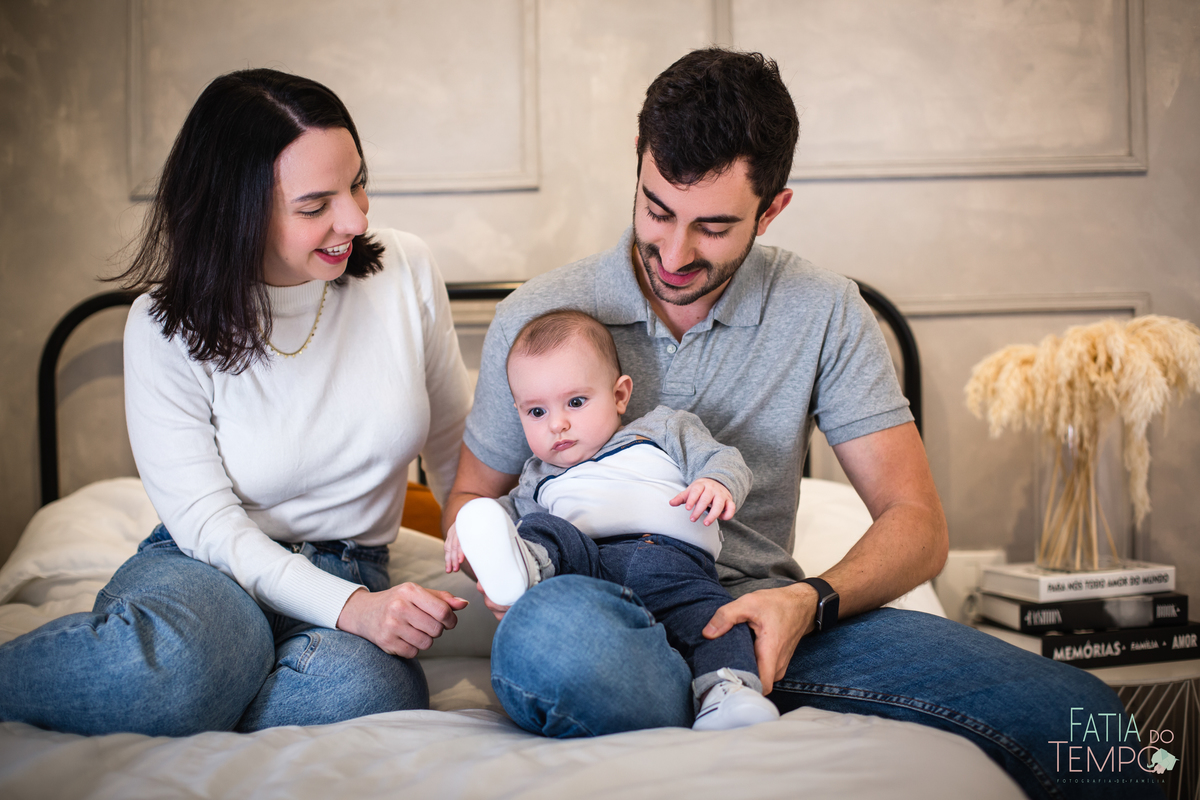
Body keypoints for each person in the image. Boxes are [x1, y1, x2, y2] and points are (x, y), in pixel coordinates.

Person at [444, 49, 1159, 799]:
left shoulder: (822, 309)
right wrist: (503, 562)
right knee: (552, 642)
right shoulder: (539, 320)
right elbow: (468, 500)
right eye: (657, 209)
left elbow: (917, 524)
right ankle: (711, 695)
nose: (674, 251)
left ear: (773, 208)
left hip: (775, 622)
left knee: (1093, 721)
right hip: (597, 606)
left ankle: (726, 685)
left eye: (713, 227)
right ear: (638, 161)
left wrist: (807, 600)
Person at [0, 69, 473, 736]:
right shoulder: (163, 326)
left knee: (367, 692)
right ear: (237, 209)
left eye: (358, 182)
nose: (356, 219)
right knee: (188, 664)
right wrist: (352, 611)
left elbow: (457, 444)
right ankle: (192, 675)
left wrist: (490, 554)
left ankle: (211, 690)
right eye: (316, 205)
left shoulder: (404, 268)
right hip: (211, 566)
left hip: (353, 561)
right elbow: (210, 527)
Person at [447, 309, 779, 731]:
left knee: (718, 620)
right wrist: (472, 528)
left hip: (677, 567)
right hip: (590, 571)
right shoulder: (536, 478)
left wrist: (717, 482)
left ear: (620, 395)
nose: (558, 424)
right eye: (536, 412)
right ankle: (526, 566)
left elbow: (722, 457)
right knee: (543, 530)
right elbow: (502, 518)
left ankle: (727, 694)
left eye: (576, 402)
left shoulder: (661, 429)